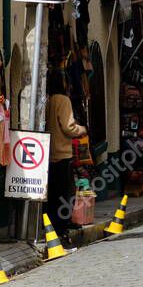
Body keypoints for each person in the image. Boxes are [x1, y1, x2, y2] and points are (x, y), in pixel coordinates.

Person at [45, 71, 87, 232]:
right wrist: (82, 129)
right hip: (62, 152)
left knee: (54, 192)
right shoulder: (63, 100)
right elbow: (68, 127)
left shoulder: (48, 100)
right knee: (66, 192)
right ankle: (62, 224)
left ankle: (53, 224)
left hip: (49, 152)